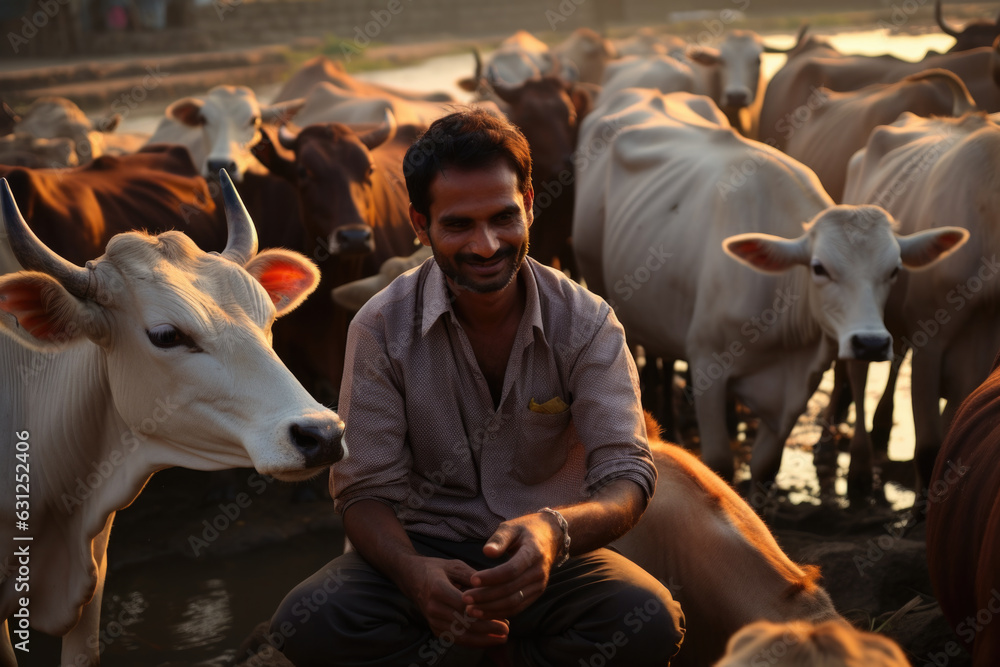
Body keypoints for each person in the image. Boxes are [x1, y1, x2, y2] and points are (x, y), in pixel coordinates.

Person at [269, 108, 684, 666]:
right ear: (421, 225)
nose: (487, 246)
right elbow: (362, 491)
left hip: (546, 560)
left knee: (651, 620)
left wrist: (554, 530)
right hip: (424, 551)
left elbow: (627, 477)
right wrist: (415, 576)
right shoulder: (379, 325)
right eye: (458, 224)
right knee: (307, 620)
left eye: (504, 218)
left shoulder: (588, 322)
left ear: (531, 204)